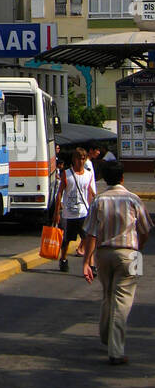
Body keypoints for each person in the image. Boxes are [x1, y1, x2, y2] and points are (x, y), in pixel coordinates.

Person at [83, 161, 151, 365]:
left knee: (108, 295)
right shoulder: (133, 199)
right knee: (123, 301)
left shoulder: (99, 200)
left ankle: (105, 335)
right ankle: (116, 351)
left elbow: (91, 233)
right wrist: (138, 247)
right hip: (129, 253)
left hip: (103, 254)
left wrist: (87, 261)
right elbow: (145, 229)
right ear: (122, 178)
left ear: (104, 178)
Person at [53, 146, 95, 271]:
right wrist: (57, 212)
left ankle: (90, 264)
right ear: (74, 159)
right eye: (78, 159)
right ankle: (64, 259)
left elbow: (89, 192)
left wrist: (93, 208)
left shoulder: (88, 175)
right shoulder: (67, 174)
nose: (81, 161)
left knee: (87, 239)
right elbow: (60, 192)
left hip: (83, 212)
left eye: (83, 158)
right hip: (68, 214)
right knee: (66, 240)